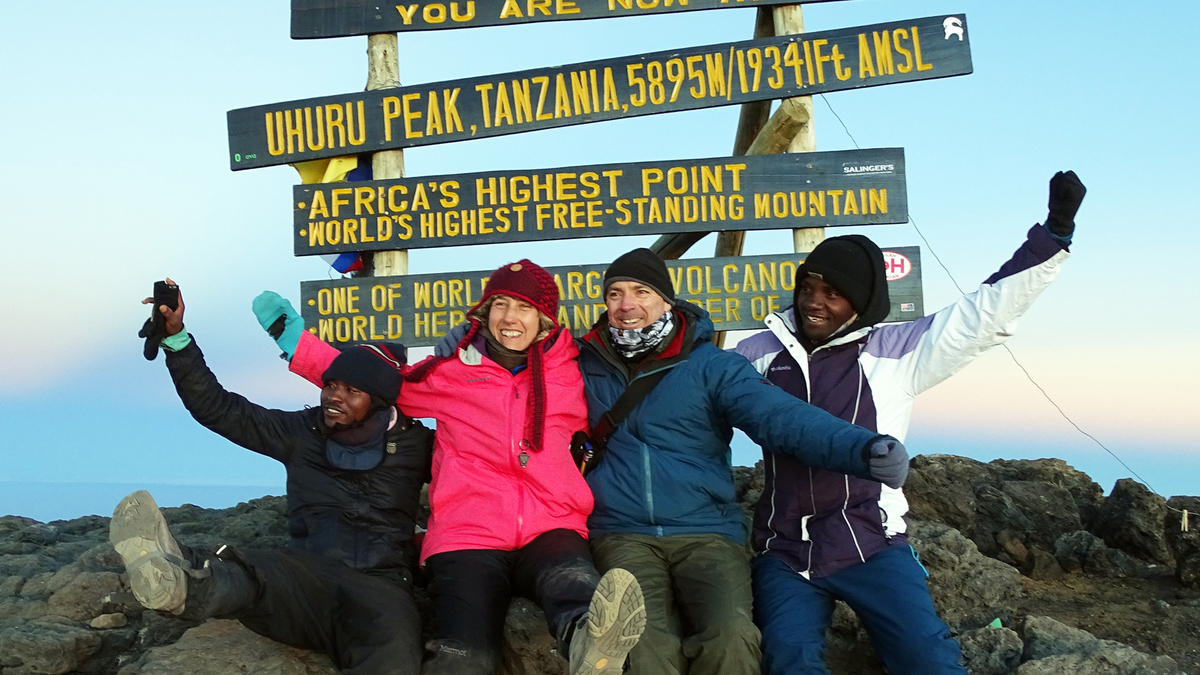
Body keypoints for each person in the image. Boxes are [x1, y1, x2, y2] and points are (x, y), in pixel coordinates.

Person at [731, 171, 1087, 675]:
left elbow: (982, 315)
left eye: (832, 293)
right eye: (808, 287)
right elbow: (694, 399)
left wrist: (1052, 235)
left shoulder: (897, 353)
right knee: (788, 662)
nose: (814, 301)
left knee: (929, 661)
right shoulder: (757, 355)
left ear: (863, 302)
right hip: (786, 552)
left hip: (871, 543)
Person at [273, 260, 647, 675]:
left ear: (543, 320)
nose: (509, 318)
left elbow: (633, 364)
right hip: (468, 533)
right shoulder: (451, 373)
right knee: (465, 652)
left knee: (574, 584)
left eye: (523, 307)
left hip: (551, 524)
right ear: (484, 313)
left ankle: (592, 647)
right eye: (500, 304)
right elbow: (375, 381)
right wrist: (296, 343)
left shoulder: (573, 370)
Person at [573, 248, 912, 675]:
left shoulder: (711, 366)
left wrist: (860, 449)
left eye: (641, 291)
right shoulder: (580, 363)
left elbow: (779, 416)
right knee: (643, 644)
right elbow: (505, 362)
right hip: (621, 532)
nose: (627, 305)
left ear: (666, 301)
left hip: (706, 530)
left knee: (732, 636)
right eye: (615, 294)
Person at [111, 281, 433, 675]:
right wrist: (177, 340)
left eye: (351, 390)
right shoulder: (301, 432)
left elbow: (483, 472)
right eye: (330, 384)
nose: (334, 396)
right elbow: (219, 408)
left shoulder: (417, 445)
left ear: (379, 401)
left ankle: (180, 561)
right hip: (304, 578)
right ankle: (177, 582)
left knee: (396, 659)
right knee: (255, 574)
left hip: (381, 588)